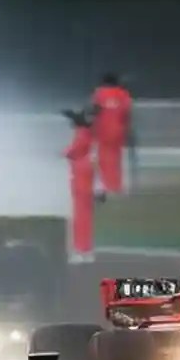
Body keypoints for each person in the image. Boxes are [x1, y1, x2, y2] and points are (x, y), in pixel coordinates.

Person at [90, 72, 133, 198]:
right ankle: (116, 186)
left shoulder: (99, 93)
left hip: (102, 131)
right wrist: (127, 131)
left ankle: (102, 187)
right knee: (116, 160)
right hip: (118, 132)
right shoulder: (123, 94)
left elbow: (94, 111)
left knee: (101, 160)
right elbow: (127, 114)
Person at [63, 109, 96, 264]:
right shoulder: (88, 133)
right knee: (85, 216)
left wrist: (63, 153)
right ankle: (86, 250)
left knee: (80, 217)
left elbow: (73, 150)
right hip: (84, 177)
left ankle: (80, 250)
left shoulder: (82, 134)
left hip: (81, 178)